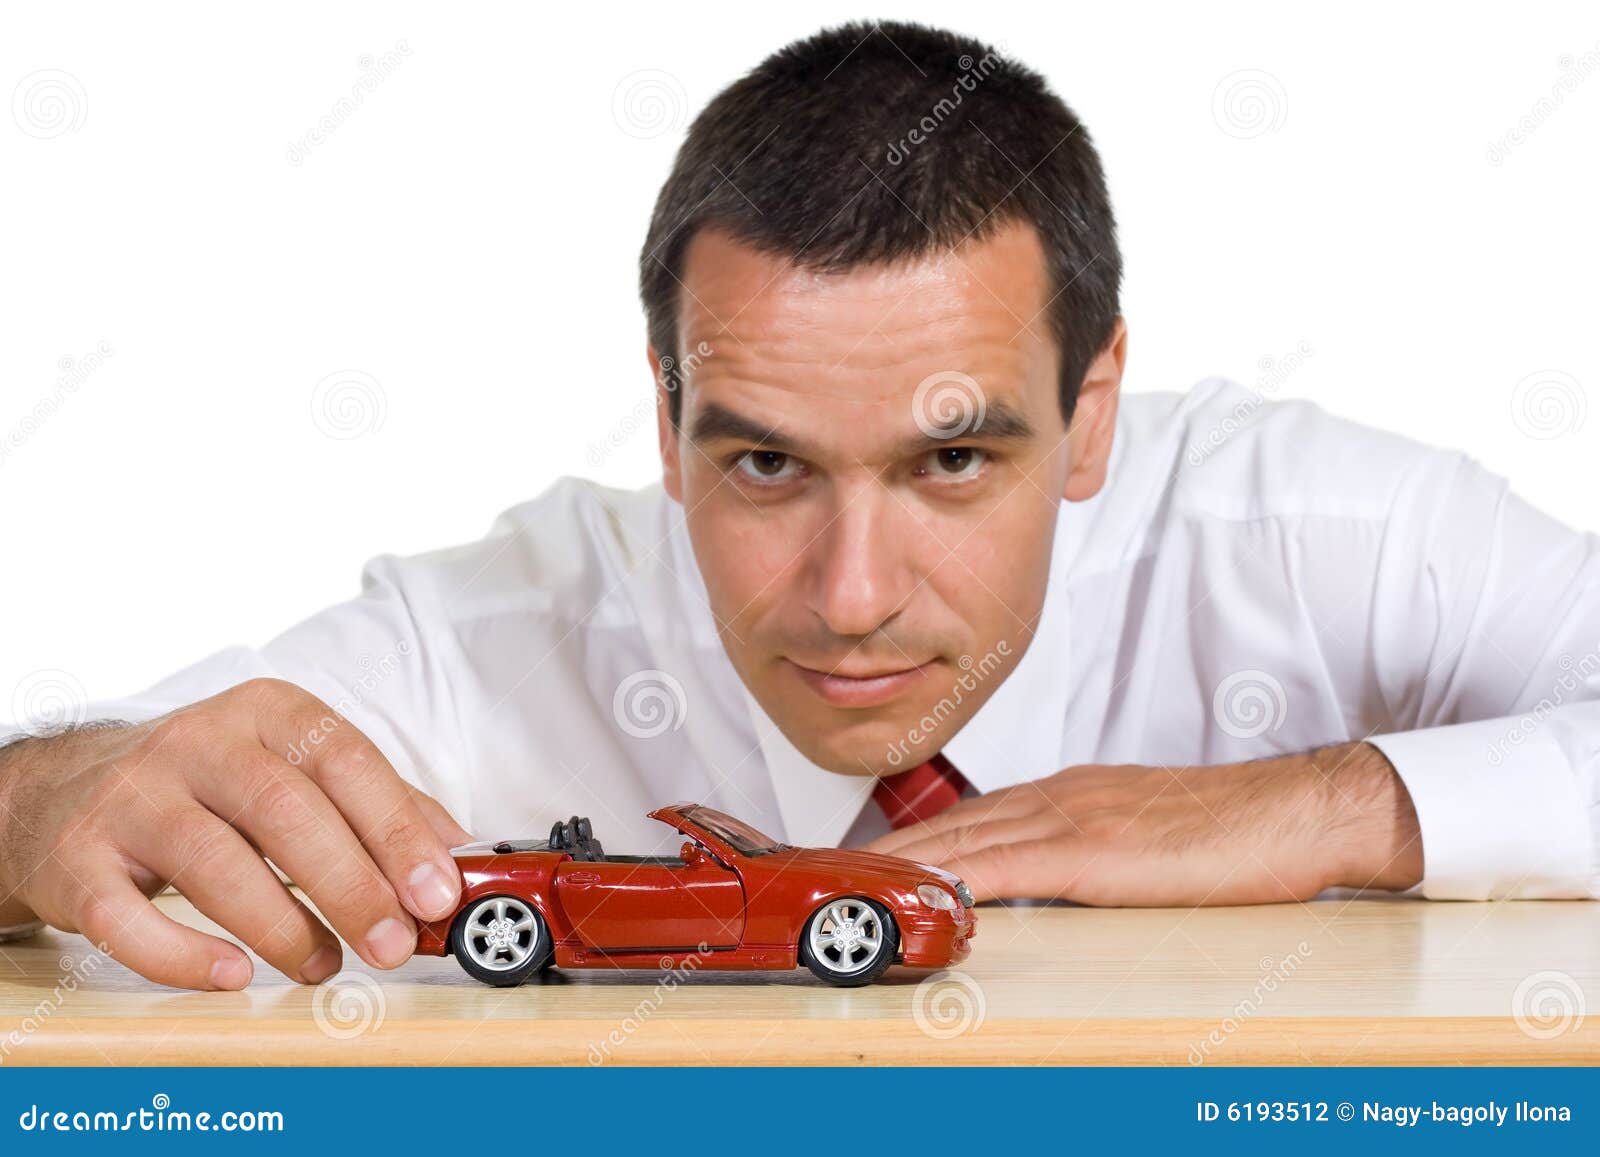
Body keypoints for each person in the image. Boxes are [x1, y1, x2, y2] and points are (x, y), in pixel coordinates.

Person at [3, 21, 1598, 993]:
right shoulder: (498, 631)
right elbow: (128, 790)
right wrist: (34, 808)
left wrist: (1320, 806)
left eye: (952, 462)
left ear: (1092, 410)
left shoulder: (1324, 535)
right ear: (668, 412)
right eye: (763, 462)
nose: (847, 596)